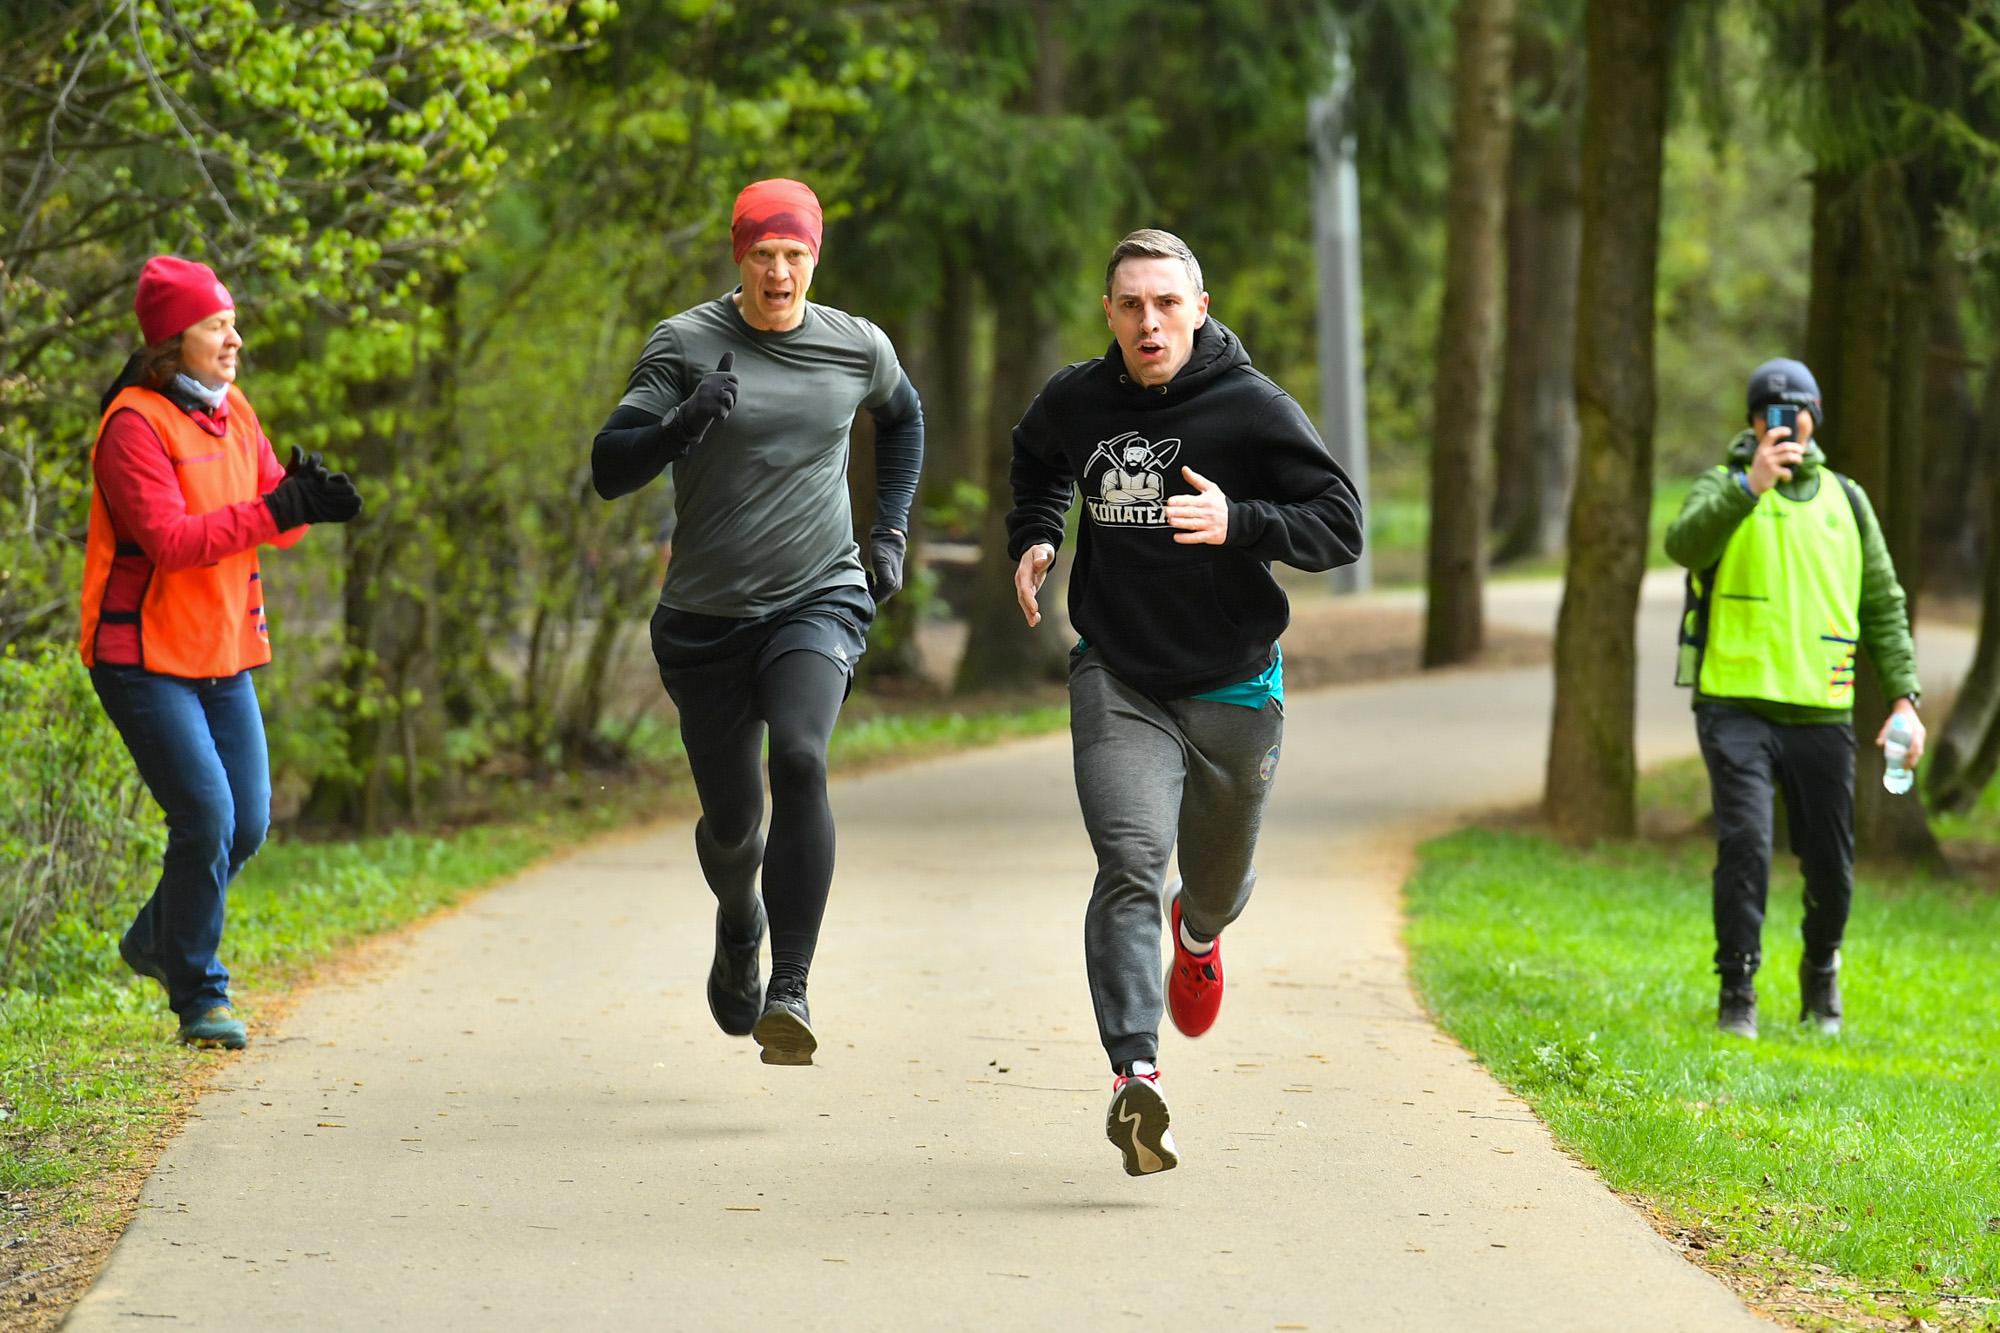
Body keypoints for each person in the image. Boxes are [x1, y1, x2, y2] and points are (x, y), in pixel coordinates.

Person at [1006, 229, 1364, 1175]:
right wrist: (1038, 533)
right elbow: (1037, 459)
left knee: (1215, 883)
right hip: (1118, 676)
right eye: (1131, 305)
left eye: (1167, 303)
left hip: (1234, 686)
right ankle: (1136, 1074)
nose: (1149, 322)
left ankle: (1197, 934)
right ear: (1110, 313)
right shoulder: (1078, 398)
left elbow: (1342, 524)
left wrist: (1239, 520)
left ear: (1199, 310)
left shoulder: (1252, 407)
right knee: (1129, 858)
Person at [591, 178, 923, 1066]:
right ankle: (741, 920)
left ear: (815, 258)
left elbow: (904, 417)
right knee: (734, 826)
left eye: (795, 255)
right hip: (706, 617)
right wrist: (678, 424)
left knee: (803, 758)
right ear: (740, 257)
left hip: (819, 594)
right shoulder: (685, 342)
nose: (779, 272)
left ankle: (791, 986)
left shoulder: (857, 345)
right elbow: (608, 466)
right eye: (764, 255)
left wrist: (889, 531)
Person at [82, 255, 364, 1049]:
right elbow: (171, 542)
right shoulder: (132, 426)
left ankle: (155, 938)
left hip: (220, 645)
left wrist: (305, 499)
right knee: (206, 815)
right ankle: (200, 992)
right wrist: (277, 507)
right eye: (217, 325)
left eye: (233, 323)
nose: (235, 339)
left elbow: (275, 517)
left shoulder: (231, 408)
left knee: (247, 822)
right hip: (140, 654)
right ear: (173, 342)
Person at [1666, 357, 1922, 1040]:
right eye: (1770, 413)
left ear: (1815, 420)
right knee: (1746, 846)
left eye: (1797, 412)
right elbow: (1684, 545)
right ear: (1752, 423)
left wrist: (1904, 699)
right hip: (1734, 705)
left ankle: (1821, 969)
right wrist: (1748, 486)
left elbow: (1884, 603)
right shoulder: (1722, 485)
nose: (1785, 424)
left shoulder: (1848, 501)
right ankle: (1738, 990)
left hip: (1822, 710)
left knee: (1831, 864)